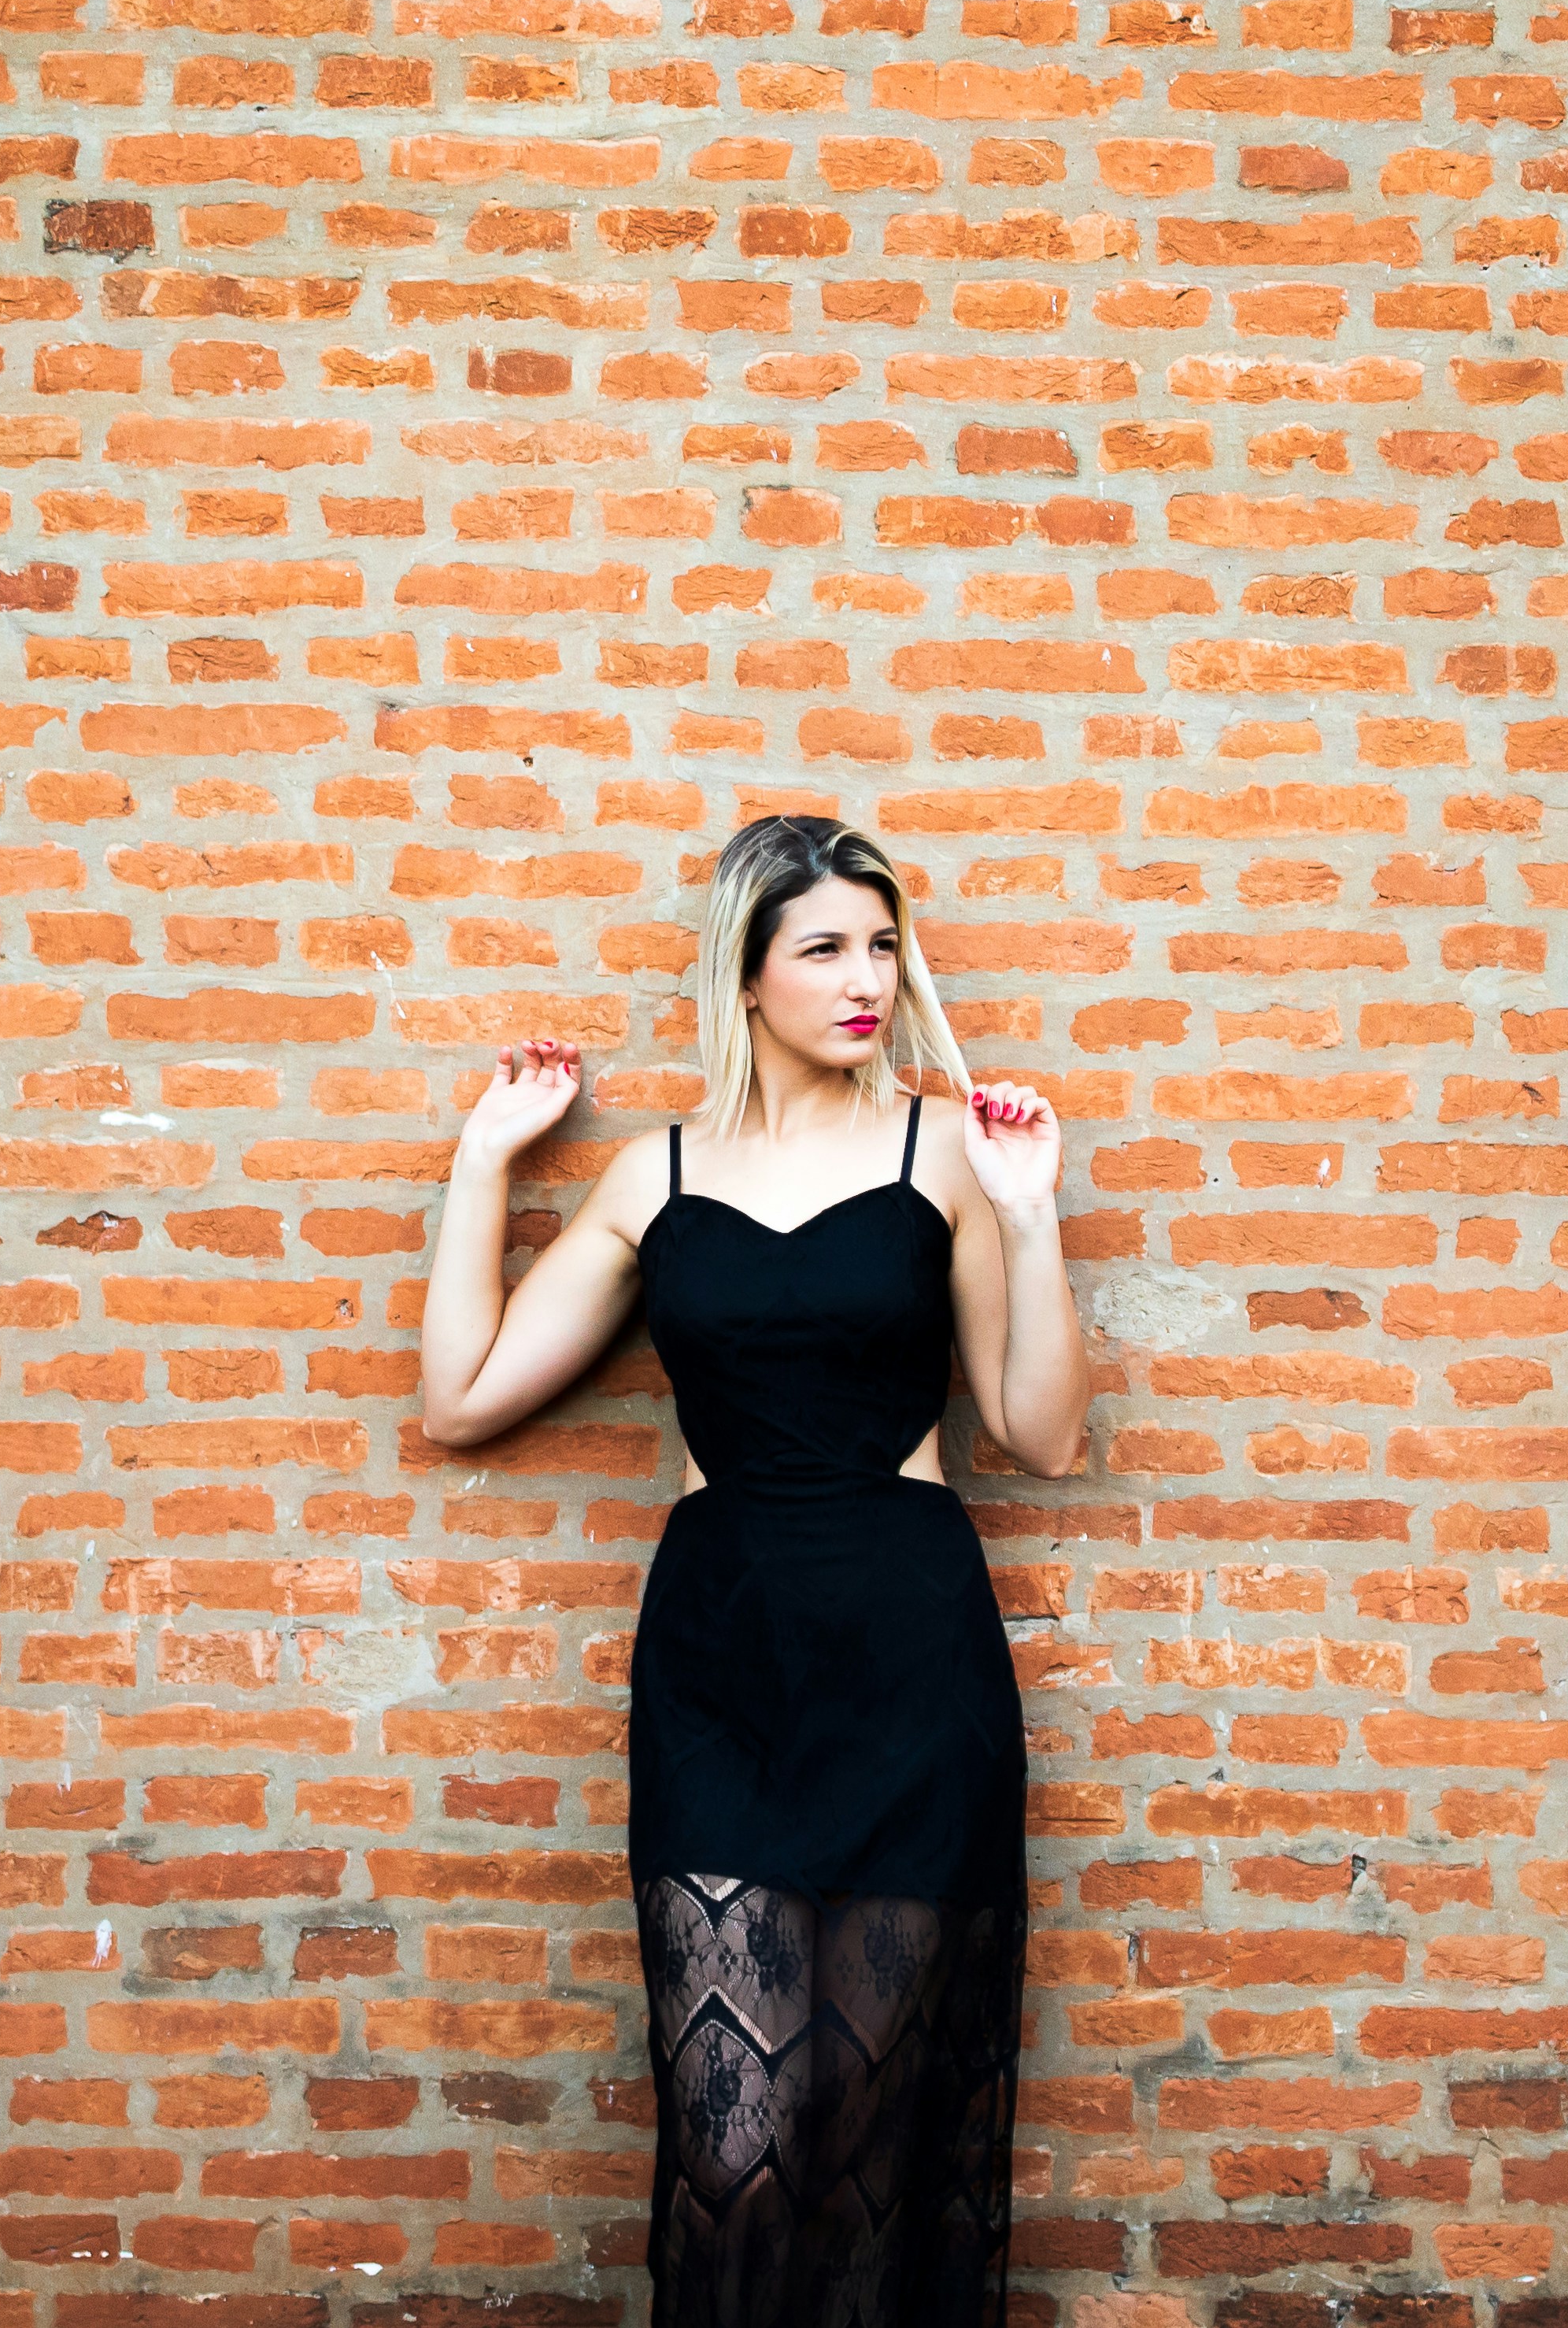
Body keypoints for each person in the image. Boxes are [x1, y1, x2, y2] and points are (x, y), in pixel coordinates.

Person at [418, 811, 1090, 2328]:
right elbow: (461, 1402)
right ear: (747, 972)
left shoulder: (947, 1152)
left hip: (912, 1660)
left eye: (883, 943)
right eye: (827, 947)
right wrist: (484, 1163)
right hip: (724, 1657)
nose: (869, 977)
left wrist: (1033, 1213)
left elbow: (1041, 1434)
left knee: (866, 2138)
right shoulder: (654, 1177)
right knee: (739, 2150)